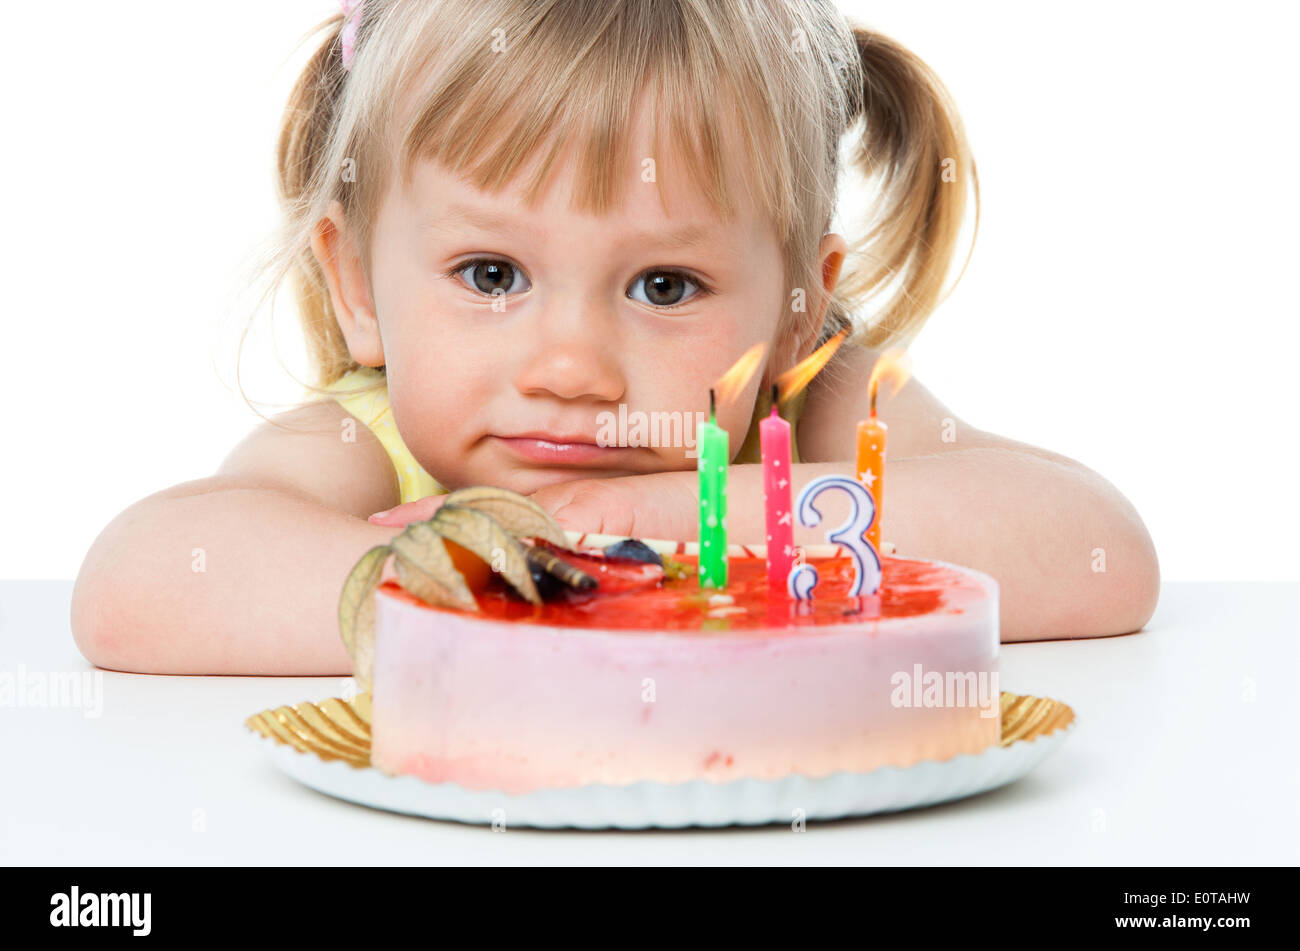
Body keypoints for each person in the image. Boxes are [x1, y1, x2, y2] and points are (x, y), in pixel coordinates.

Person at [71, 0, 1159, 675]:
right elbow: (137, 585)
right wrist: (490, 577)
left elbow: (1098, 553)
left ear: (791, 309)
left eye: (664, 283)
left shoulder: (805, 404)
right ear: (357, 285)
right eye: (491, 274)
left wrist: (664, 517)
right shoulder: (368, 447)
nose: (572, 369)